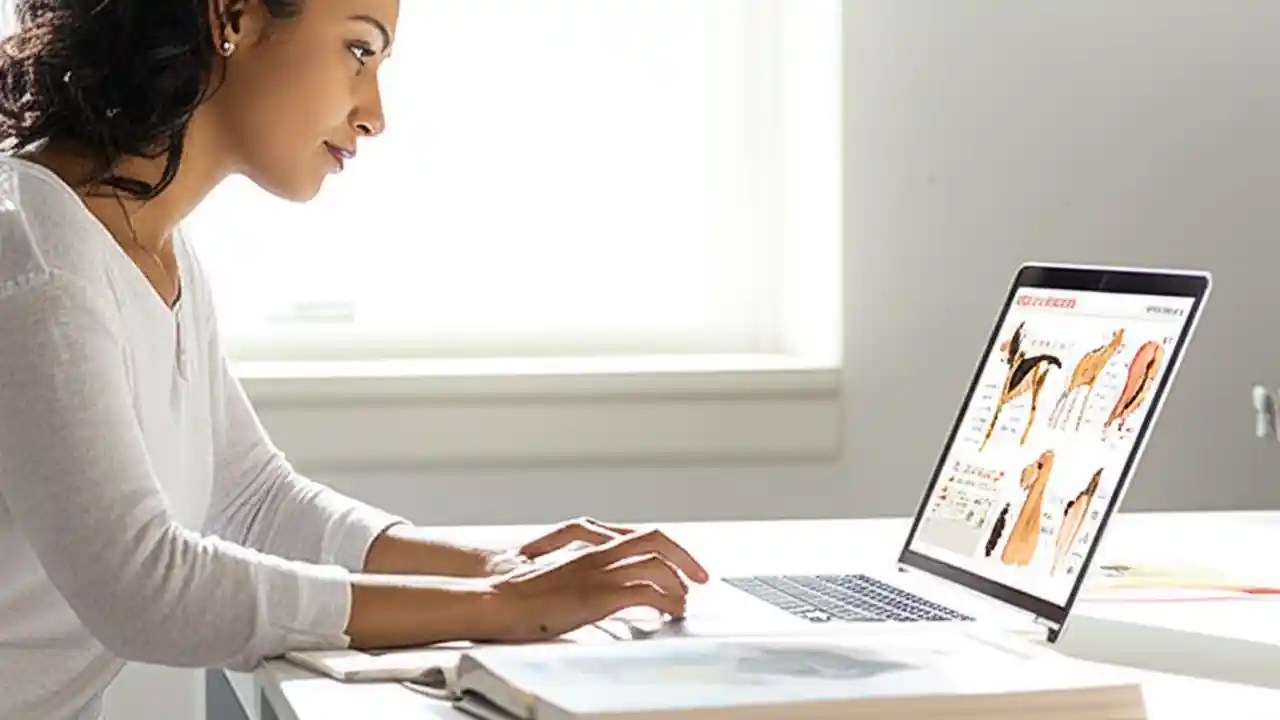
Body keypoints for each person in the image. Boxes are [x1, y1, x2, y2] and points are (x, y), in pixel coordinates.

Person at [0, 1, 709, 717]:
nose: (374, 113)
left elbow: (251, 501)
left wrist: (501, 566)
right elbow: (145, 591)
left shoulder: (149, 245)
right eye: (359, 51)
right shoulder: (37, 260)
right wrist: (498, 605)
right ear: (234, 17)